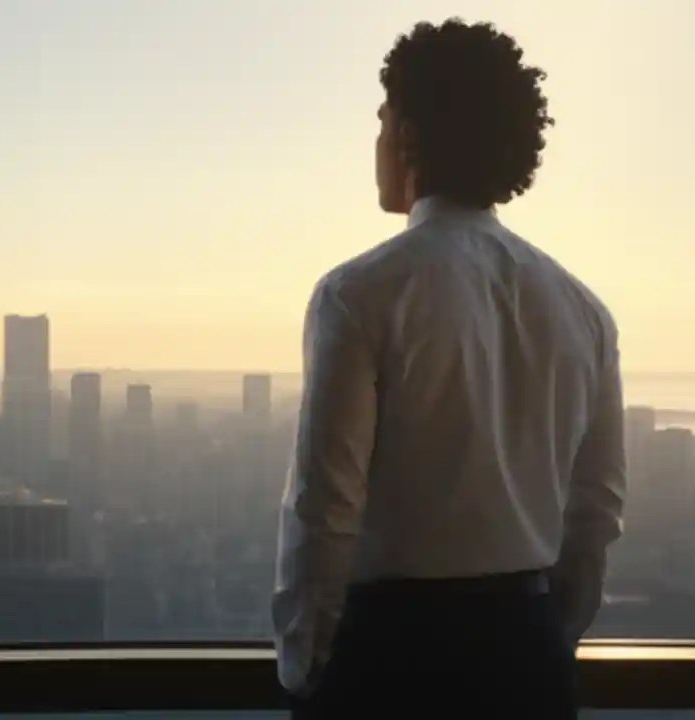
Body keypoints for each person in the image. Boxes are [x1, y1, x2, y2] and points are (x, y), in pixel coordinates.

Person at [273, 19, 626, 719]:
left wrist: (305, 665)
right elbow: (597, 508)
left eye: (382, 122)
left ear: (407, 135)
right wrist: (550, 640)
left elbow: (326, 506)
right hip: (530, 659)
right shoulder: (583, 310)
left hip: (391, 656)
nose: (376, 143)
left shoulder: (358, 294)